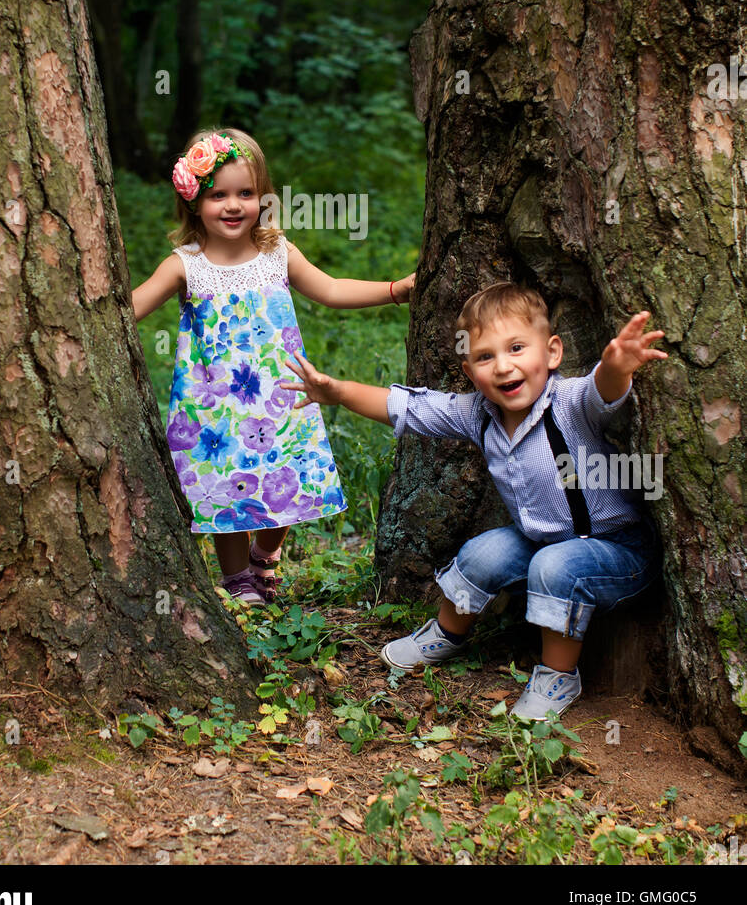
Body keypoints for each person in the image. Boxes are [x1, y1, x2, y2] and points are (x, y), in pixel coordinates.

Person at [282, 281, 666, 719]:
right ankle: (447, 633)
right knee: (483, 553)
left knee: (553, 566)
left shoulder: (570, 403)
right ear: (470, 372)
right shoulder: (477, 415)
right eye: (486, 357)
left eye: (517, 348)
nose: (503, 367)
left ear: (552, 353)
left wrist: (617, 366)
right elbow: (405, 407)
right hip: (544, 541)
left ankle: (558, 675)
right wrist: (335, 392)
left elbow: (605, 388)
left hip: (618, 551)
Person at [131, 127, 415, 606]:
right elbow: (128, 309)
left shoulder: (276, 253)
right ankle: (238, 577)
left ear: (263, 198)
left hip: (281, 396)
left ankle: (266, 555)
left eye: (246, 193)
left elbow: (331, 289)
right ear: (194, 199)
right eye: (218, 194)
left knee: (284, 480)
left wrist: (393, 290)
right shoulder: (185, 264)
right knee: (227, 488)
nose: (233, 205)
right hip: (216, 408)